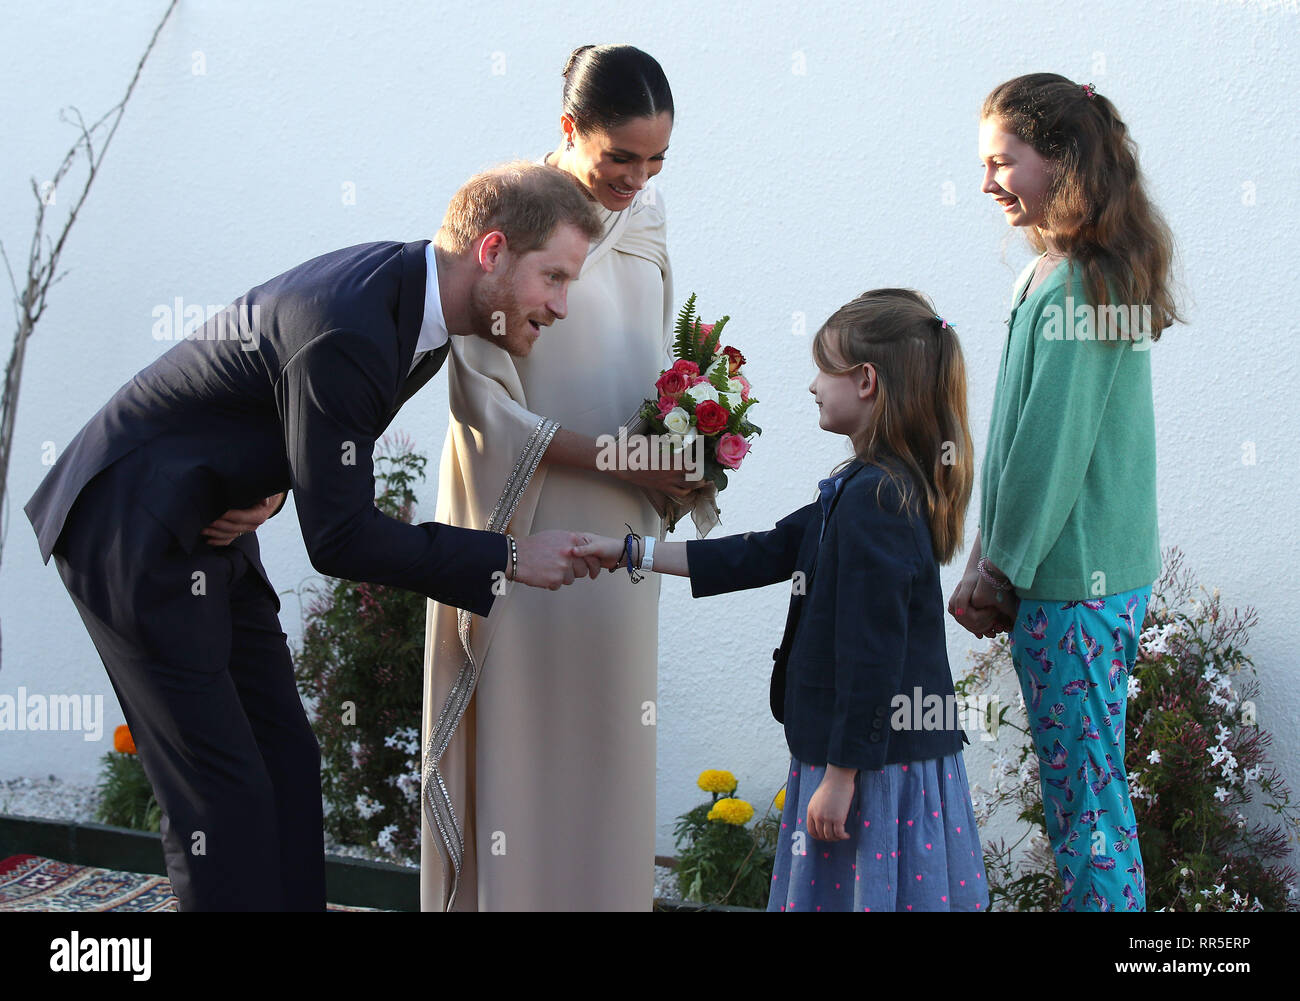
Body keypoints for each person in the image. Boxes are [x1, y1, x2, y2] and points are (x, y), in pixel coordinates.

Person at [24, 160, 606, 911]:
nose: (562, 305)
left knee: (287, 759)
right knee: (220, 794)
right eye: (554, 278)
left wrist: (266, 489)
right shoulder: (356, 325)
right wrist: (512, 557)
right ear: (492, 251)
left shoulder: (420, 314)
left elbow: (300, 428)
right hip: (129, 524)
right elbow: (340, 539)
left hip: (213, 520)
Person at [576, 289, 989, 912]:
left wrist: (841, 777)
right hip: (873, 758)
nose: (813, 385)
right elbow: (763, 552)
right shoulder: (865, 487)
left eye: (825, 368)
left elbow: (874, 650)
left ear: (867, 380)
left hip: (870, 770)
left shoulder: (875, 499)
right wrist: (628, 552)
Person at [420, 44, 699, 911]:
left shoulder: (648, 221)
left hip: (621, 532)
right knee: (525, 742)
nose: (637, 178)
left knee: (610, 742)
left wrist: (690, 446)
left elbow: (658, 366)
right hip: (522, 526)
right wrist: (620, 454)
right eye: (621, 157)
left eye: (656, 161)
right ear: (569, 128)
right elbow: (484, 406)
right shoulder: (500, 218)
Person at [951, 74, 1180, 911]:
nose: (986, 183)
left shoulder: (1080, 284)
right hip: (1073, 577)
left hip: (1073, 581)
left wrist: (999, 567)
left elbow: (1049, 452)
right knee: (1084, 793)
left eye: (1001, 162)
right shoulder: (1058, 272)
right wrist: (986, 551)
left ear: (1059, 157)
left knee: (1087, 801)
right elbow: (1015, 435)